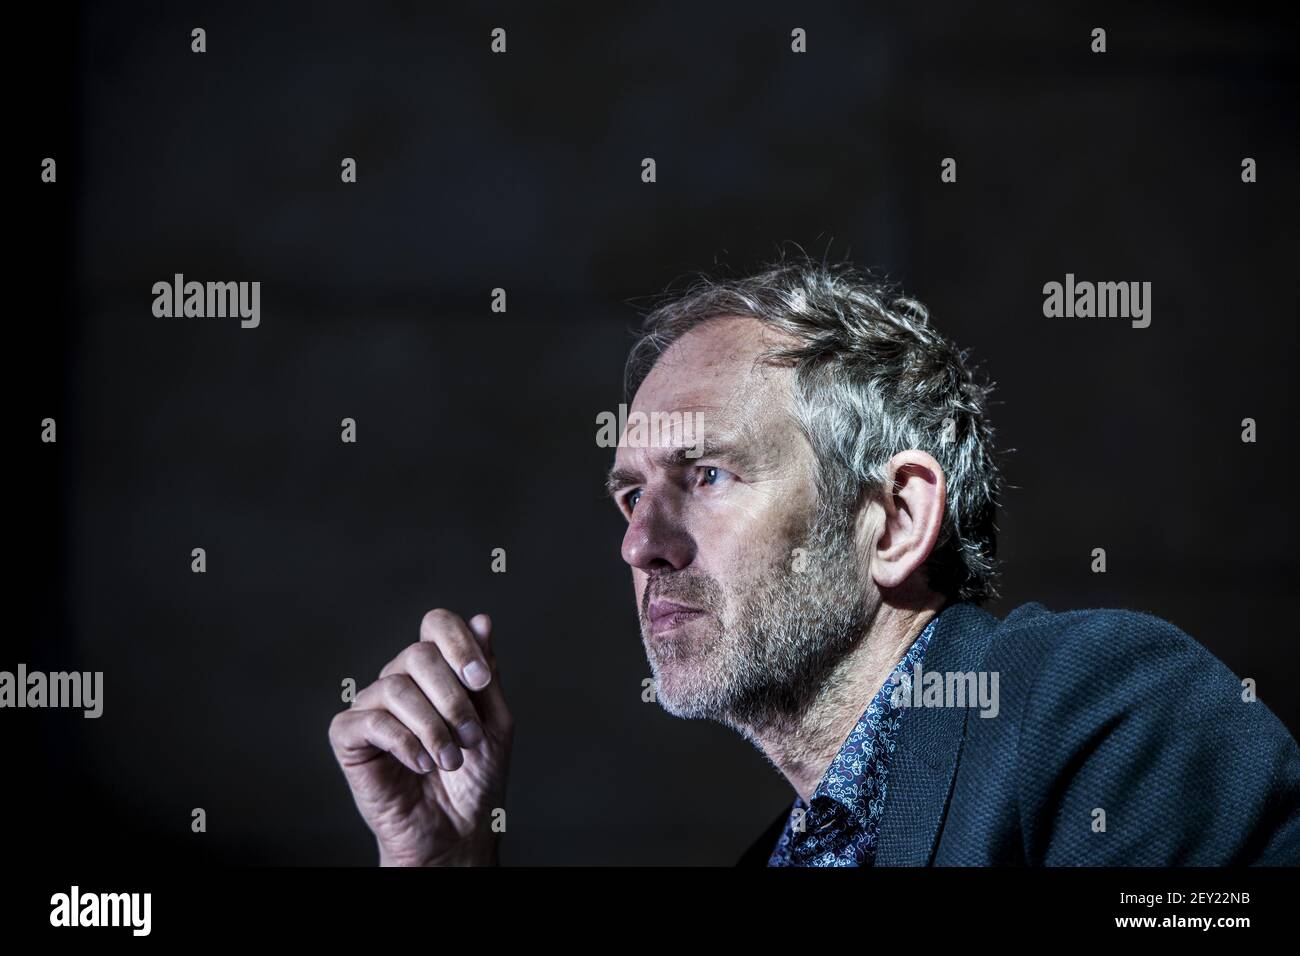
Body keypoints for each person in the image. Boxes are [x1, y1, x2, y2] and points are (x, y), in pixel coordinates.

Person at [328, 253, 1300, 866]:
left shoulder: (1096, 709)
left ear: (894, 515)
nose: (638, 543)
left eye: (704, 472)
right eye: (629, 494)